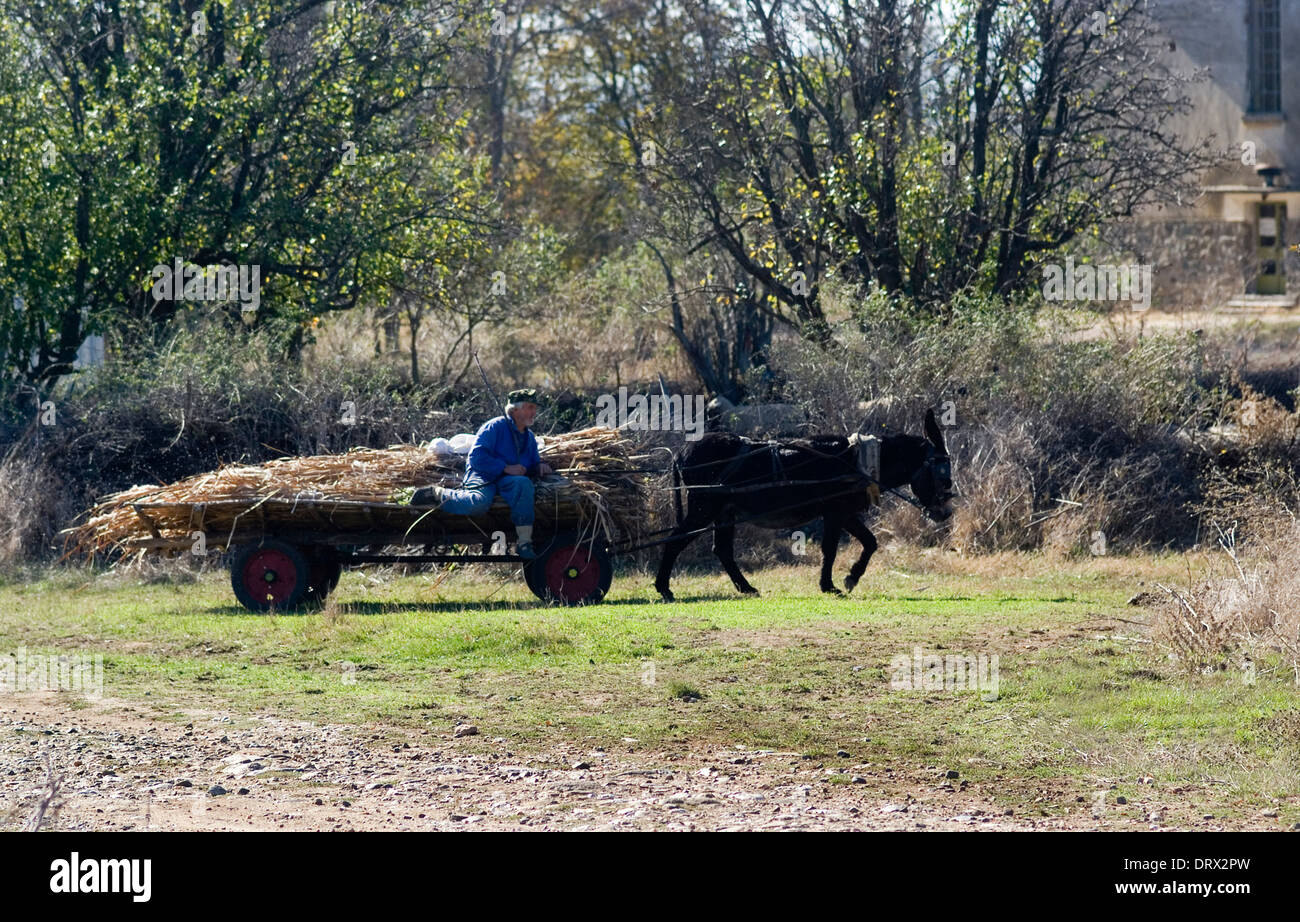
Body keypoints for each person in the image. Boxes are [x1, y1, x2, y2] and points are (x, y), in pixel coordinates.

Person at [412, 388, 554, 558]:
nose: (534, 412)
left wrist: (540, 466)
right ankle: (436, 493)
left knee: (524, 484)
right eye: (530, 407)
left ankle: (524, 543)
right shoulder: (494, 427)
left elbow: (533, 462)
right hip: (483, 475)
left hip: (507, 481)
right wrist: (504, 467)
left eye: (534, 408)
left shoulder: (529, 437)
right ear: (515, 410)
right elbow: (476, 458)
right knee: (479, 503)